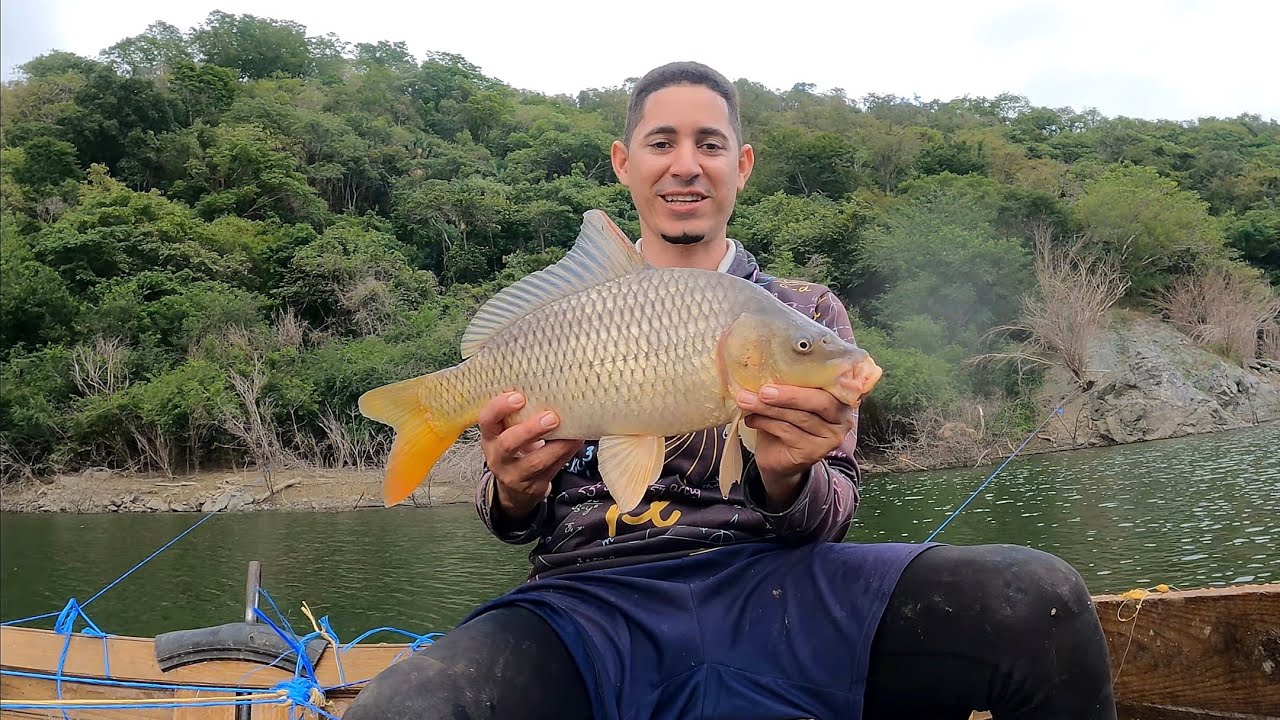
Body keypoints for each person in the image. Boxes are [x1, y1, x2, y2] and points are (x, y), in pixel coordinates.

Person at [345, 61, 1117, 720]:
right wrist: (513, 488)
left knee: (1037, 599)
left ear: (740, 165)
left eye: (709, 144)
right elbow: (506, 516)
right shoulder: (564, 320)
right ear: (624, 162)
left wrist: (787, 477)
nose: (686, 164)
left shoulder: (803, 314)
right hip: (591, 606)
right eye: (662, 143)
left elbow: (836, 508)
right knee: (401, 708)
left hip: (777, 590)